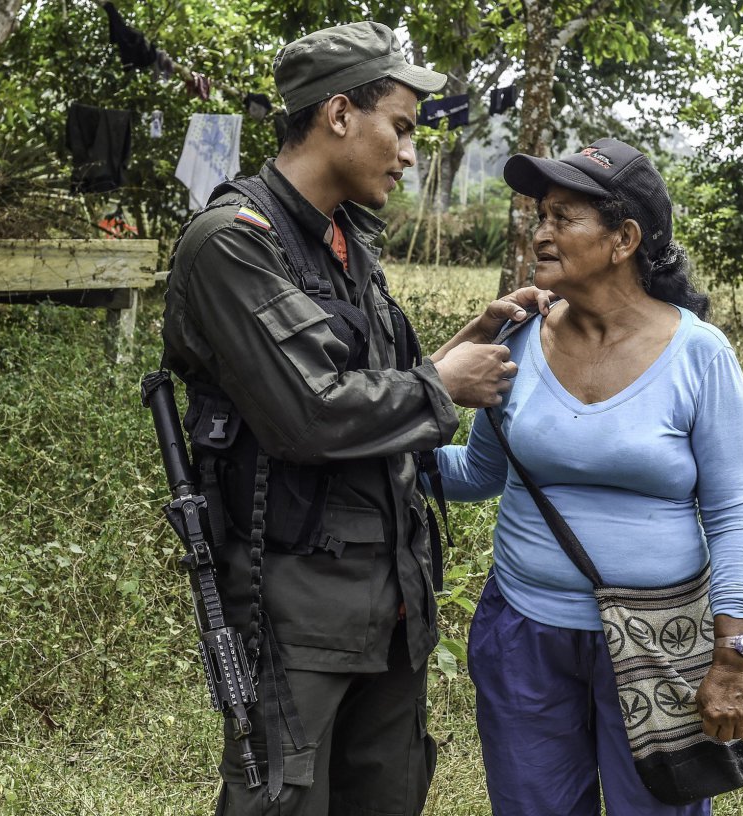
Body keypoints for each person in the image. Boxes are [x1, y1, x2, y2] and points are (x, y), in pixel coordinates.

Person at [160, 21, 539, 816]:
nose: (409, 153)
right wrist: (441, 386)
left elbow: (364, 385)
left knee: (389, 791)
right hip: (293, 608)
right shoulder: (233, 244)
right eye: (399, 127)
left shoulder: (342, 243)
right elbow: (311, 416)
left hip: (389, 596)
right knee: (285, 799)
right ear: (338, 115)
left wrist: (462, 345)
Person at [432, 138, 743, 816]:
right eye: (539, 215)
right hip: (524, 634)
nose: (540, 232)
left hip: (661, 642)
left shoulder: (699, 355)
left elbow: (731, 513)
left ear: (624, 238)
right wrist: (363, 442)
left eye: (562, 217)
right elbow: (475, 474)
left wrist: (733, 657)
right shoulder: (518, 338)